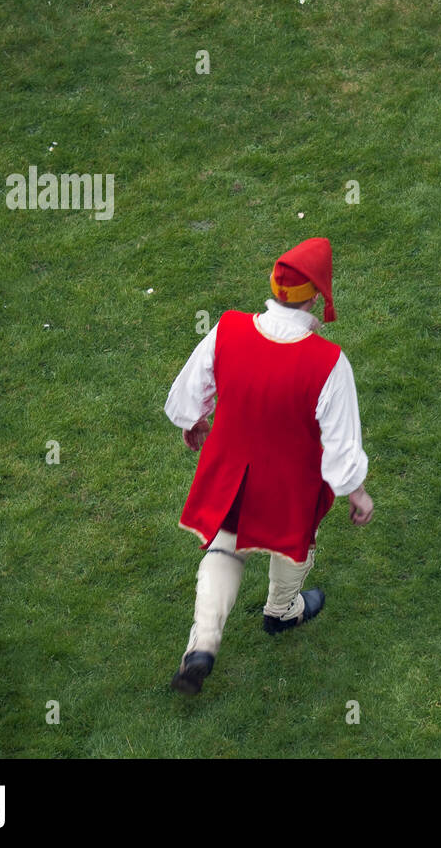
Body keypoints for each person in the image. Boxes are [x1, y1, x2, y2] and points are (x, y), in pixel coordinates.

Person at [164, 237, 373, 694]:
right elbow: (340, 444)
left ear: (273, 286)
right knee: (295, 543)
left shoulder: (228, 329)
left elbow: (188, 391)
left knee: (224, 548)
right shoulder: (330, 363)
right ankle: (282, 610)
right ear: (316, 296)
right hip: (291, 484)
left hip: (232, 472)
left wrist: (196, 419)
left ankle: (202, 644)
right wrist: (356, 492)